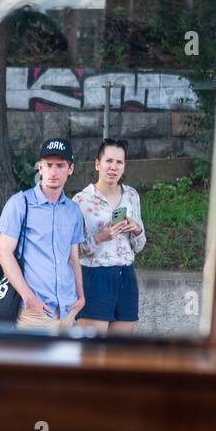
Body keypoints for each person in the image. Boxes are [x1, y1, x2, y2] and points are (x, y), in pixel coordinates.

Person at [0, 137, 87, 330]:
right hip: (35, 312)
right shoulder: (20, 203)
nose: (53, 172)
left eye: (60, 165)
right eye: (48, 165)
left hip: (68, 310)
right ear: (40, 167)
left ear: (70, 169)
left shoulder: (73, 210)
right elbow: (4, 254)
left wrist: (81, 296)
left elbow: (73, 259)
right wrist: (29, 299)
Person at [74, 139, 147, 334]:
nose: (113, 167)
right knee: (92, 352)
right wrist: (99, 236)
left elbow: (139, 246)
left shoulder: (131, 195)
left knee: (120, 353)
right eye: (109, 161)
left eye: (119, 162)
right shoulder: (81, 200)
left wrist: (136, 229)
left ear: (124, 166)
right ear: (97, 164)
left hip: (126, 276)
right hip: (95, 276)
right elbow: (72, 250)